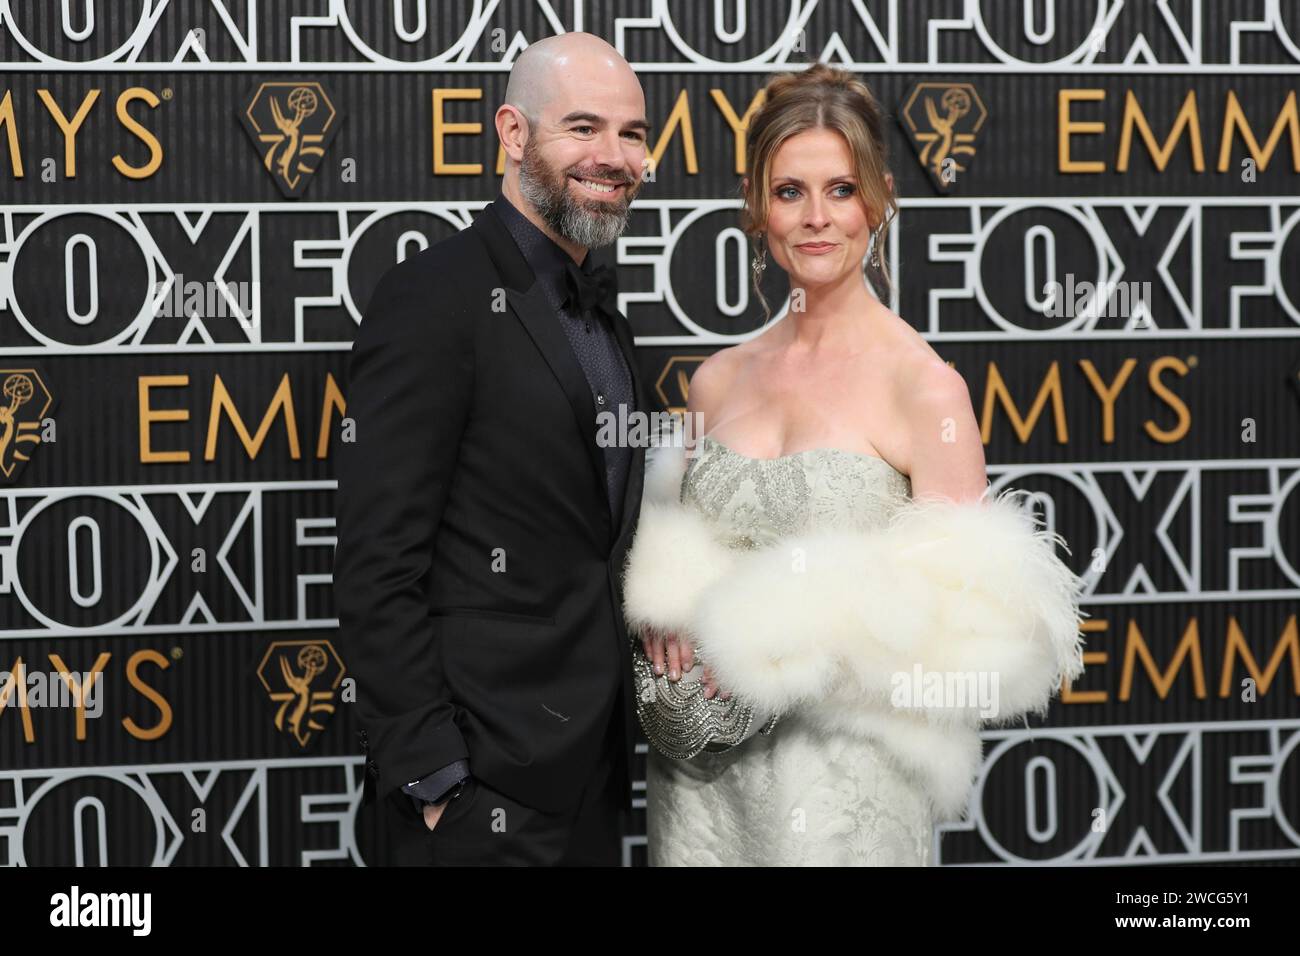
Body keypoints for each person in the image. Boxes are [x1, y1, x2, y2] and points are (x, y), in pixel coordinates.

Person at [621, 64, 1086, 866]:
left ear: (878, 198)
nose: (816, 219)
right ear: (756, 206)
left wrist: (789, 647)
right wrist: (663, 605)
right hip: (701, 796)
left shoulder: (923, 386)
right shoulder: (717, 379)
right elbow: (671, 550)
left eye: (840, 189)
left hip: (844, 796)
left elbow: (974, 636)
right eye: (790, 190)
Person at [334, 32, 651, 866]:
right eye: (583, 128)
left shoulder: (607, 317)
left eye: (633, 133)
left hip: (592, 783)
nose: (613, 156)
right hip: (477, 795)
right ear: (513, 133)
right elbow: (376, 561)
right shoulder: (432, 298)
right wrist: (435, 780)